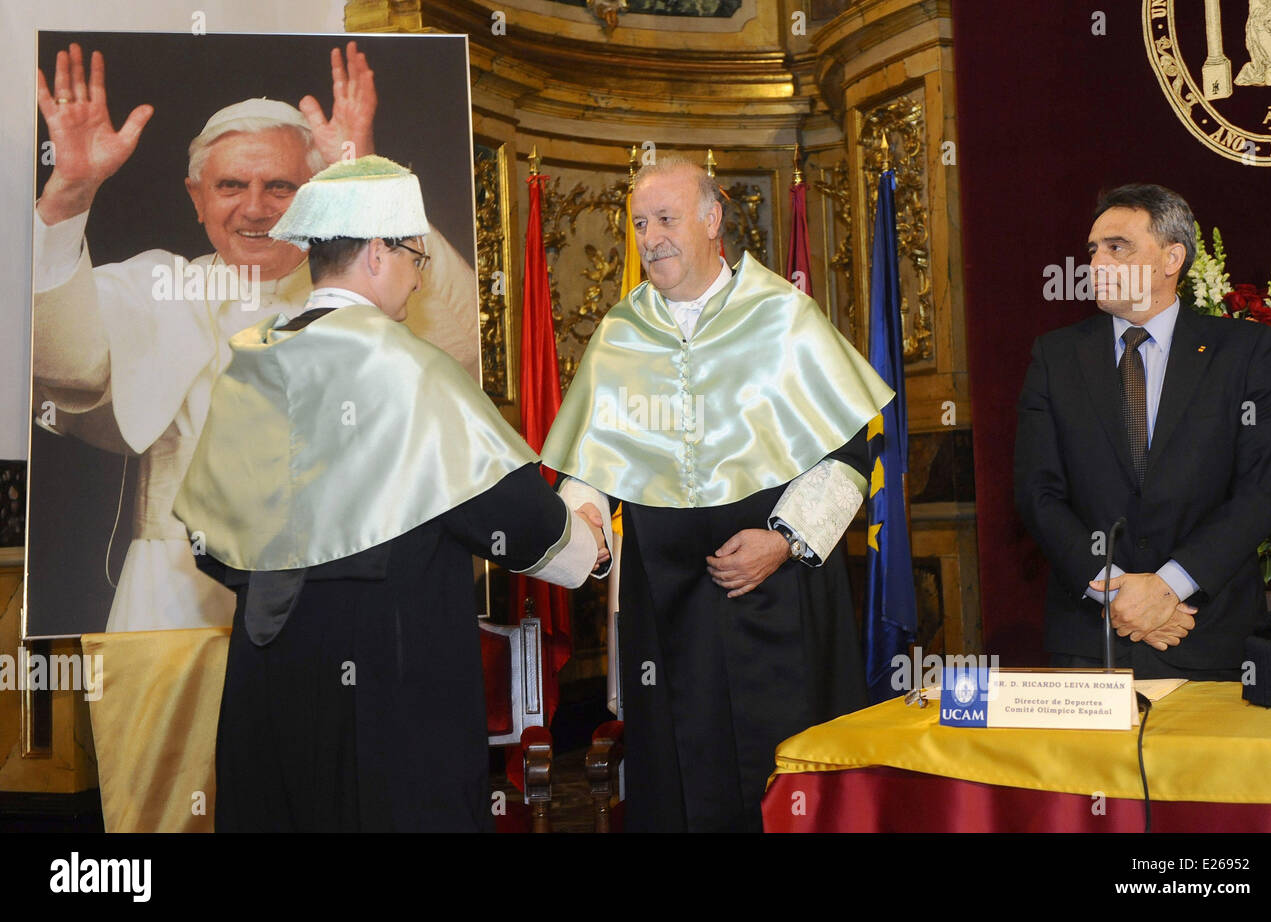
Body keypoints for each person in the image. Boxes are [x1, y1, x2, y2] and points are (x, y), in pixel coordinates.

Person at [173, 155, 609, 832]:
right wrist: (588, 532)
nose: (417, 274)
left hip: (268, 681)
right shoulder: (405, 369)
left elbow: (211, 548)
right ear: (376, 253)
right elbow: (518, 522)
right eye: (414, 255)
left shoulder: (253, 358)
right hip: (390, 686)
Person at [31, 41, 477, 632]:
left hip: (332, 582)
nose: (255, 208)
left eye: (281, 187)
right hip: (172, 595)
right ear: (197, 199)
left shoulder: (370, 292)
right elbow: (65, 369)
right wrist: (69, 197)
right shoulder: (156, 285)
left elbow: (464, 348)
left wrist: (367, 184)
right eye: (230, 186)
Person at [540, 156, 896, 832]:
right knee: (678, 777)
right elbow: (588, 464)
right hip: (667, 602)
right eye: (640, 223)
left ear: (712, 220)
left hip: (775, 598)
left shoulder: (784, 318)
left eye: (667, 219)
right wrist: (578, 530)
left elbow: (848, 454)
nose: (651, 238)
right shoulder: (620, 335)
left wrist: (784, 540)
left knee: (782, 777)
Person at [1014, 183, 1271, 680]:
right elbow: (1038, 494)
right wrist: (1118, 594)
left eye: (1117, 247)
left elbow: (1262, 493)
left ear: (1172, 258)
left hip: (1207, 635)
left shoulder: (1244, 351)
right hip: (1090, 641)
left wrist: (1167, 589)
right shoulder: (1055, 357)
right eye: (1093, 250)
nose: (1096, 263)